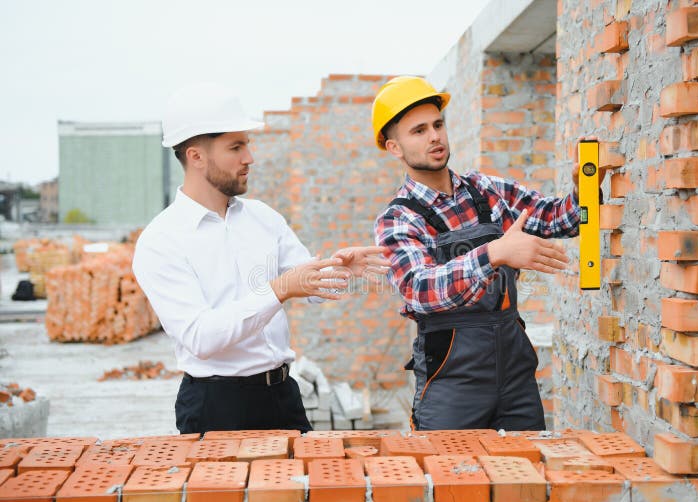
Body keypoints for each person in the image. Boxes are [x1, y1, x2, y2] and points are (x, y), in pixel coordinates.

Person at [133, 82, 389, 434]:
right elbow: (200, 338)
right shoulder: (160, 242)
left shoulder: (262, 217)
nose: (249, 157)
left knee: (302, 490)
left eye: (247, 145)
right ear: (196, 156)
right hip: (216, 406)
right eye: (235, 147)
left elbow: (309, 286)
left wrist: (339, 267)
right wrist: (281, 288)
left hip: (283, 395)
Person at [372, 76, 601, 431]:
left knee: (526, 481)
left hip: (516, 379)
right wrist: (494, 252)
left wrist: (584, 186)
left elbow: (558, 219)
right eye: (418, 131)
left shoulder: (488, 190)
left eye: (438, 124)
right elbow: (420, 289)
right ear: (394, 148)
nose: (435, 136)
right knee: (453, 483)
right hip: (452, 386)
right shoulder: (399, 219)